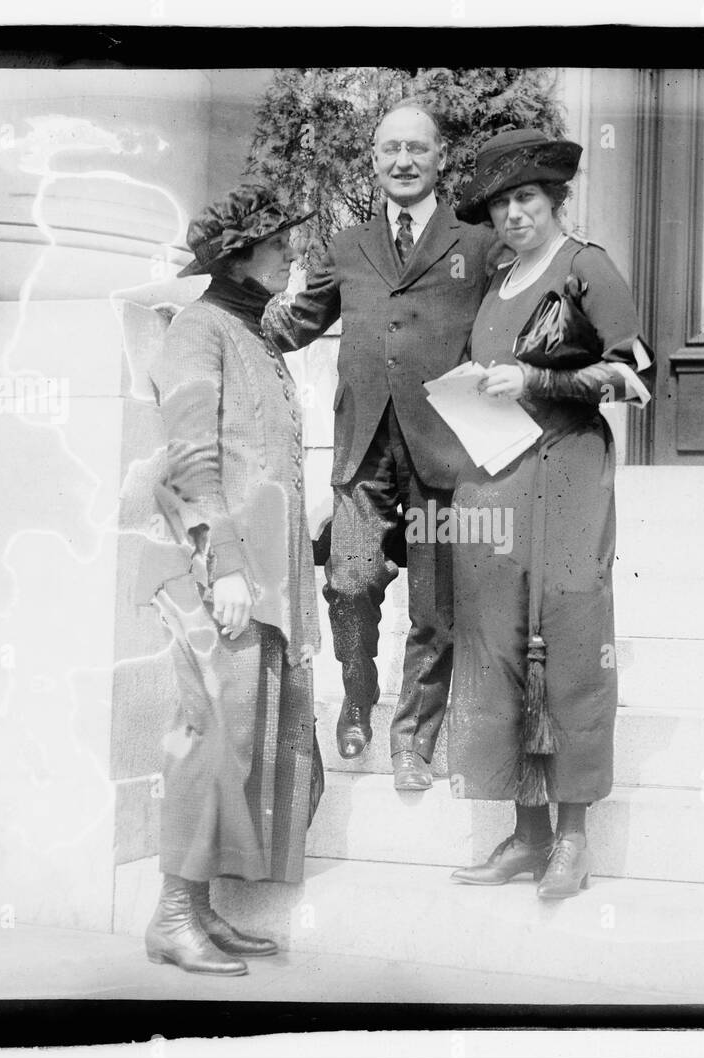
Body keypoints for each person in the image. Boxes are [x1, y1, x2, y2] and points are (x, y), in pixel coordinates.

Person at [263, 100, 498, 791]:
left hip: (445, 451)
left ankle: (413, 742)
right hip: (362, 446)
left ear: (440, 158)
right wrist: (218, 309)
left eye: (417, 149)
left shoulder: (478, 246)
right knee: (349, 580)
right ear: (374, 160)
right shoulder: (347, 246)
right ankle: (358, 693)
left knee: (435, 606)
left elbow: (514, 322)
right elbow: (298, 323)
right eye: (391, 148)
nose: (403, 161)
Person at [445, 128, 655, 900]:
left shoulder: (585, 266)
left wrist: (537, 381)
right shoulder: (499, 281)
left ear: (556, 199)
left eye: (527, 197)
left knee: (567, 641)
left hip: (567, 475)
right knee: (501, 647)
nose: (514, 214)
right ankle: (525, 835)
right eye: (501, 204)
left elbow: (636, 376)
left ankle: (571, 839)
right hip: (498, 481)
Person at [130, 184, 323, 975]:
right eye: (278, 245)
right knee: (212, 741)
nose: (290, 256)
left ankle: (201, 911)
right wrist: (228, 568)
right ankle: (173, 915)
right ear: (239, 255)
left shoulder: (253, 331)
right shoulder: (199, 329)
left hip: (266, 578)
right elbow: (191, 461)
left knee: (240, 744)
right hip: (221, 578)